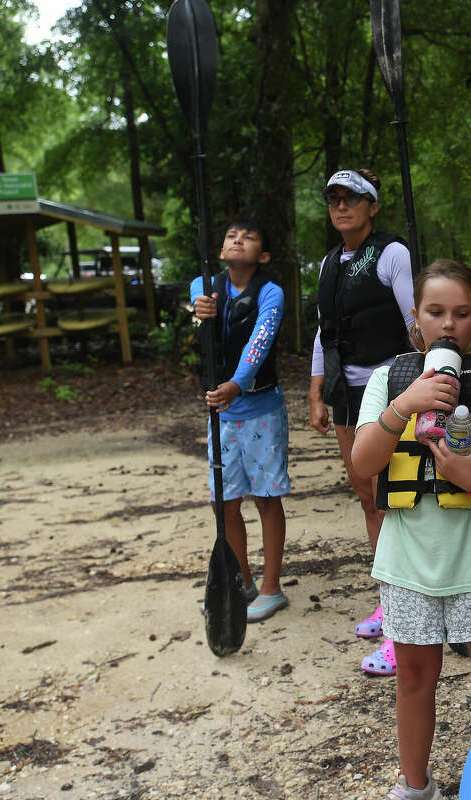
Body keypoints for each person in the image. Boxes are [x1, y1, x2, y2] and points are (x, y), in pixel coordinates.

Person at [350, 258, 471, 800]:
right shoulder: (390, 378)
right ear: (416, 318)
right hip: (409, 560)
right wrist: (404, 406)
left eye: (461, 313)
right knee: (413, 676)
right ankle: (415, 784)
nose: (449, 324)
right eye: (436, 312)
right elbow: (364, 465)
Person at [309, 168, 415, 670]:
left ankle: (404, 619)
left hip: (389, 389)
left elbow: (417, 318)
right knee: (367, 495)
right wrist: (315, 393)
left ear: (373, 206)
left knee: (396, 497)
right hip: (346, 393)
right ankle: (388, 598)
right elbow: (323, 333)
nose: (342, 206)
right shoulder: (329, 263)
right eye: (333, 199)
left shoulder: (392, 254)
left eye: (352, 198)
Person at [190, 219, 291, 623]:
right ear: (221, 249)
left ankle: (271, 587)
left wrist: (237, 383)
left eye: (249, 237)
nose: (238, 240)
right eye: (231, 235)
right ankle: (240, 581)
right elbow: (197, 318)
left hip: (260, 409)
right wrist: (200, 313)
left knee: (266, 497)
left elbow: (259, 342)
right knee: (225, 501)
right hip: (221, 414)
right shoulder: (203, 287)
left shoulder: (271, 293)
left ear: (262, 255)